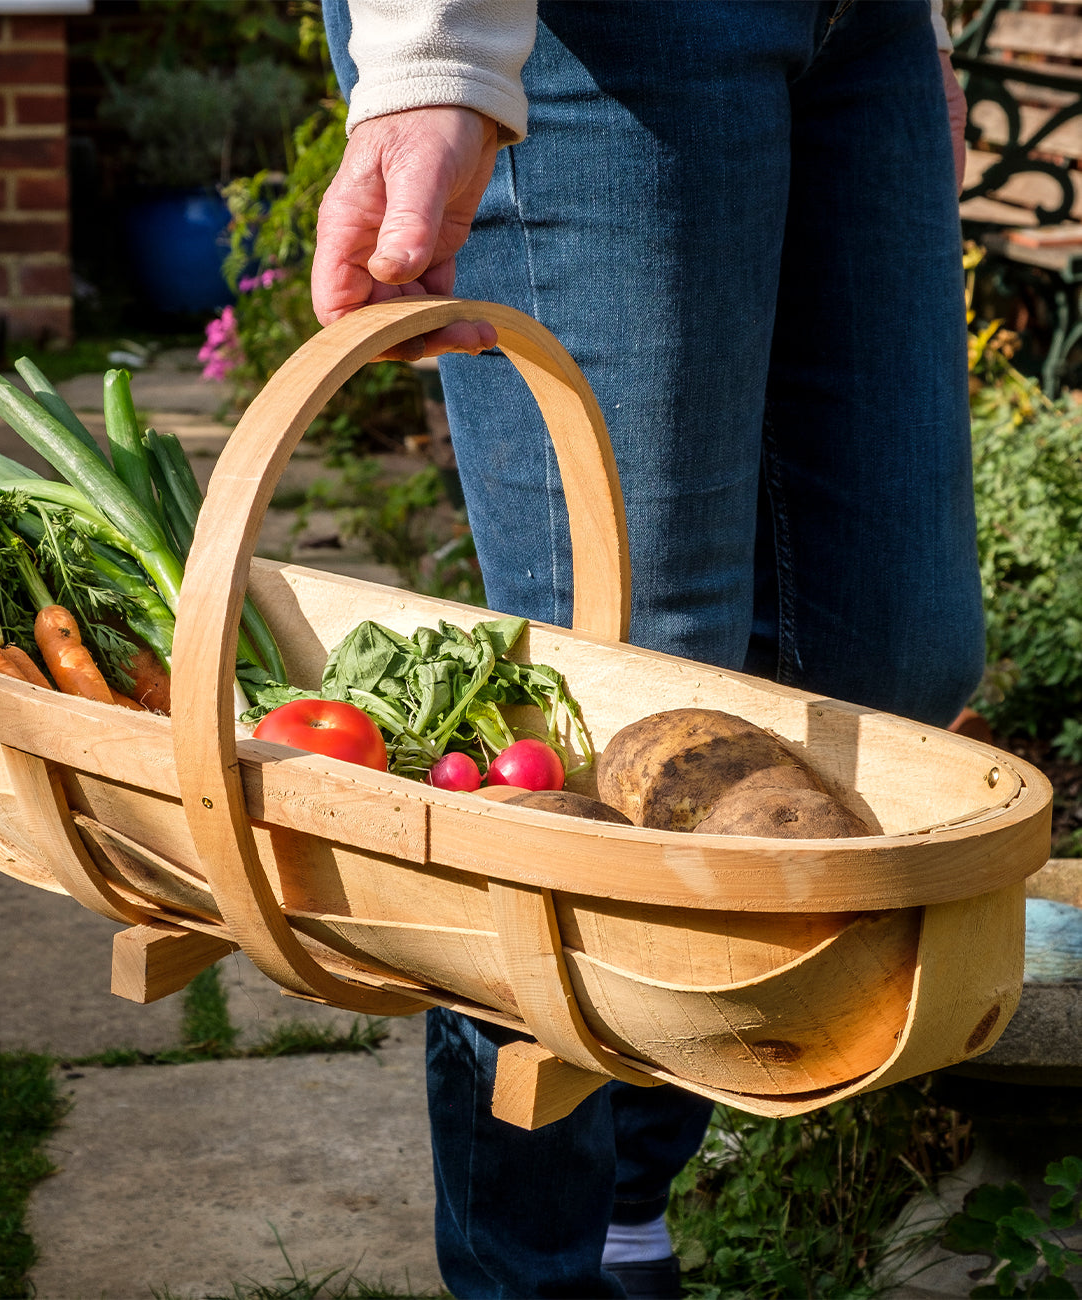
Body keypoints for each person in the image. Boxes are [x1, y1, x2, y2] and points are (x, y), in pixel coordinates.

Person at [310, 4, 983, 1296]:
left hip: (858, 24)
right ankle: (560, 1249)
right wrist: (431, 56)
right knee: (607, 709)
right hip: (601, 32)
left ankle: (627, 1170)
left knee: (892, 659)